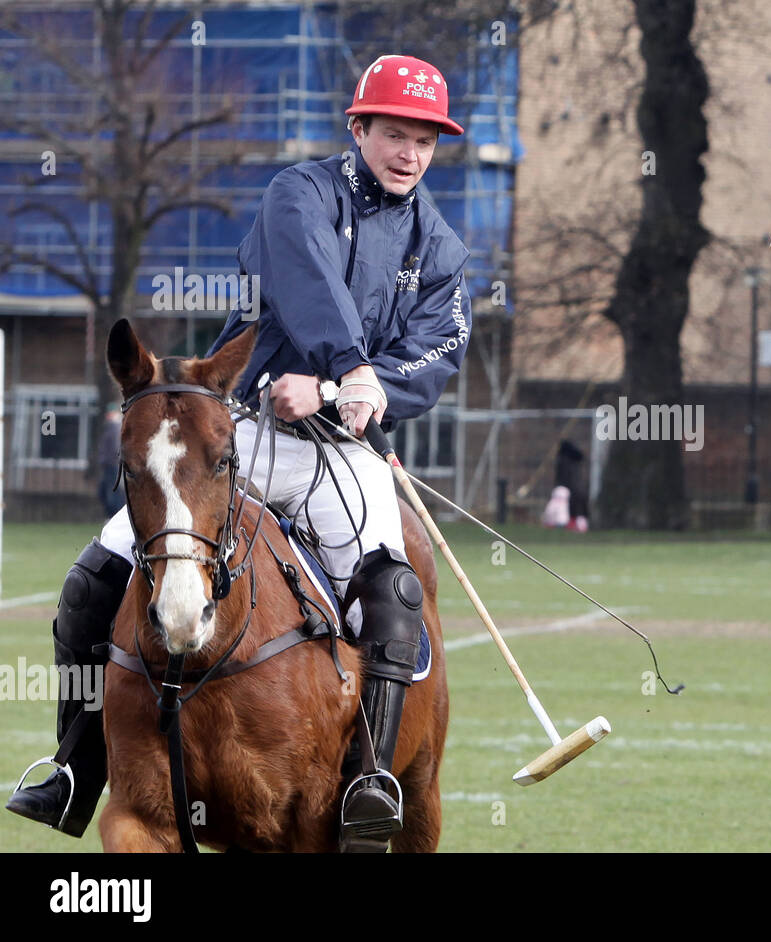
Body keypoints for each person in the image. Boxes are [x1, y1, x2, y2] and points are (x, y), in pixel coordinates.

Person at [7, 54, 472, 853]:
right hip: (238, 434)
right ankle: (75, 764)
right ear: (358, 128)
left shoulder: (443, 250)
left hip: (340, 452)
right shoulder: (300, 193)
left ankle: (369, 780)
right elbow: (305, 276)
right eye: (394, 134)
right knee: (92, 580)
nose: (410, 154)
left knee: (393, 594)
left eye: (426, 141)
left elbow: (438, 353)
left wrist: (339, 393)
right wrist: (347, 362)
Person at [95, 408, 125, 518]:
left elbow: (115, 448)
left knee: (113, 493)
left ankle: (115, 516)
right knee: (107, 491)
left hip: (112, 465)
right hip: (110, 465)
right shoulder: (111, 428)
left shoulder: (115, 428)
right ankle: (113, 516)